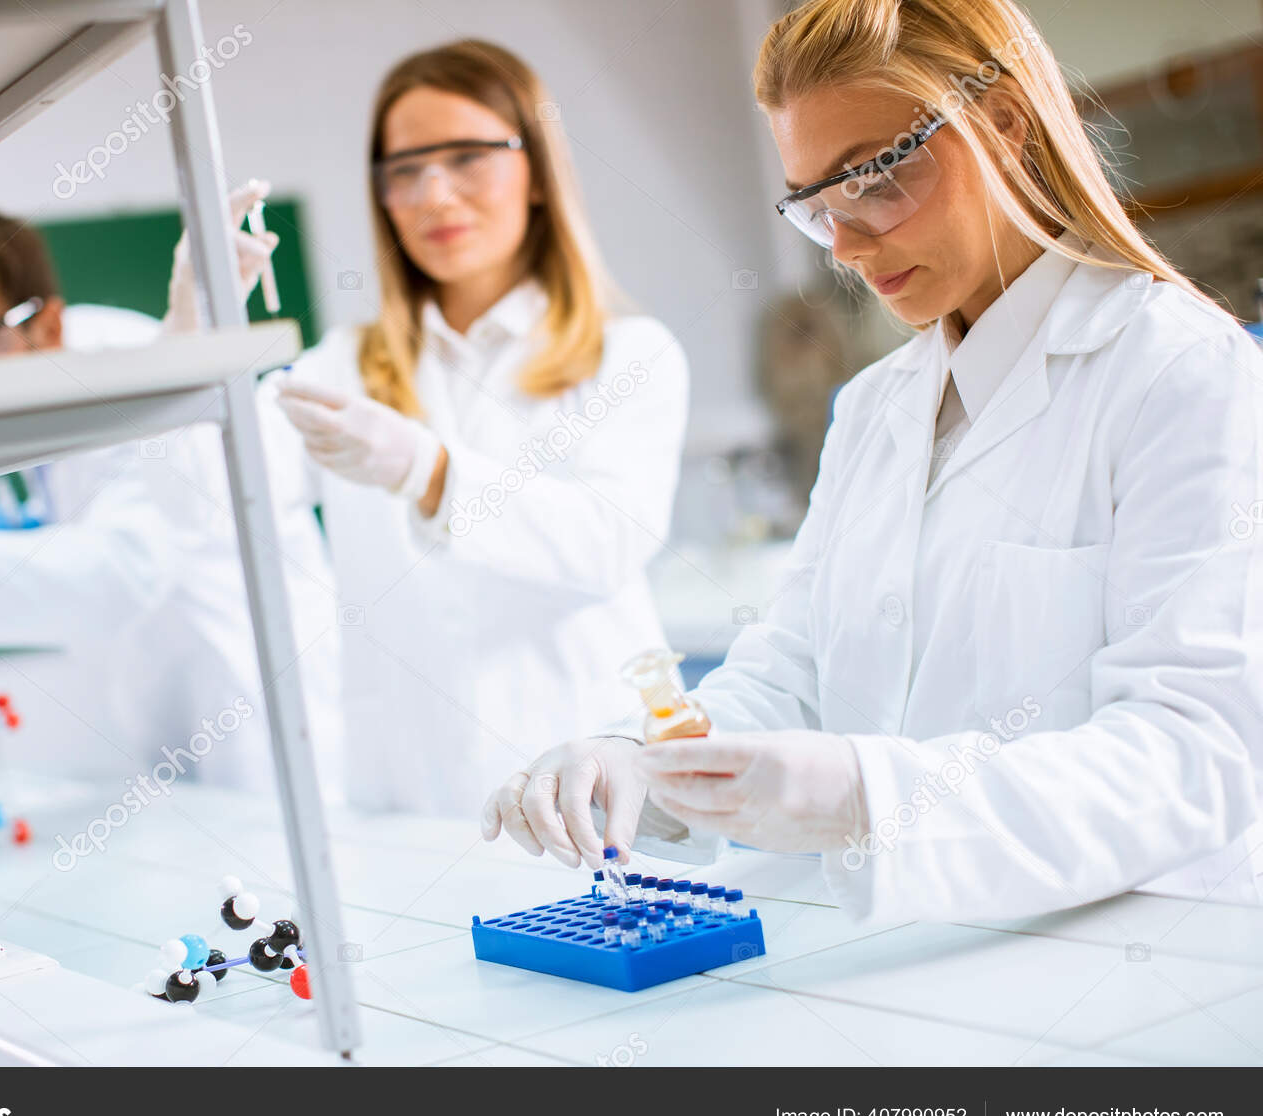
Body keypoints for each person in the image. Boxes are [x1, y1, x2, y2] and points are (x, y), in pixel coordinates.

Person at [483, 0, 1263, 923]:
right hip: (901, 962)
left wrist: (868, 794)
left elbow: (1197, 756)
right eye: (815, 205)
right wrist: (641, 766)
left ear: (1005, 125)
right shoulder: (872, 409)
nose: (845, 245)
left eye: (877, 178)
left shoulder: (1180, 372)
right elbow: (790, 676)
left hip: (1117, 965)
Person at [166, 40, 690, 818]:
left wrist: (431, 472)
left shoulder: (630, 353)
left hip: (589, 778)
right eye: (404, 170)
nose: (433, 194)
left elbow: (605, 542)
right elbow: (205, 503)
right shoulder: (344, 365)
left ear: (539, 172)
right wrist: (193, 340)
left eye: (468, 156)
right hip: (414, 795)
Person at [0, 200, 342, 793]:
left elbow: (126, 569)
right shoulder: (32, 396)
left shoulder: (136, 377)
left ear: (46, 324)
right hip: (165, 685)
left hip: (253, 694)